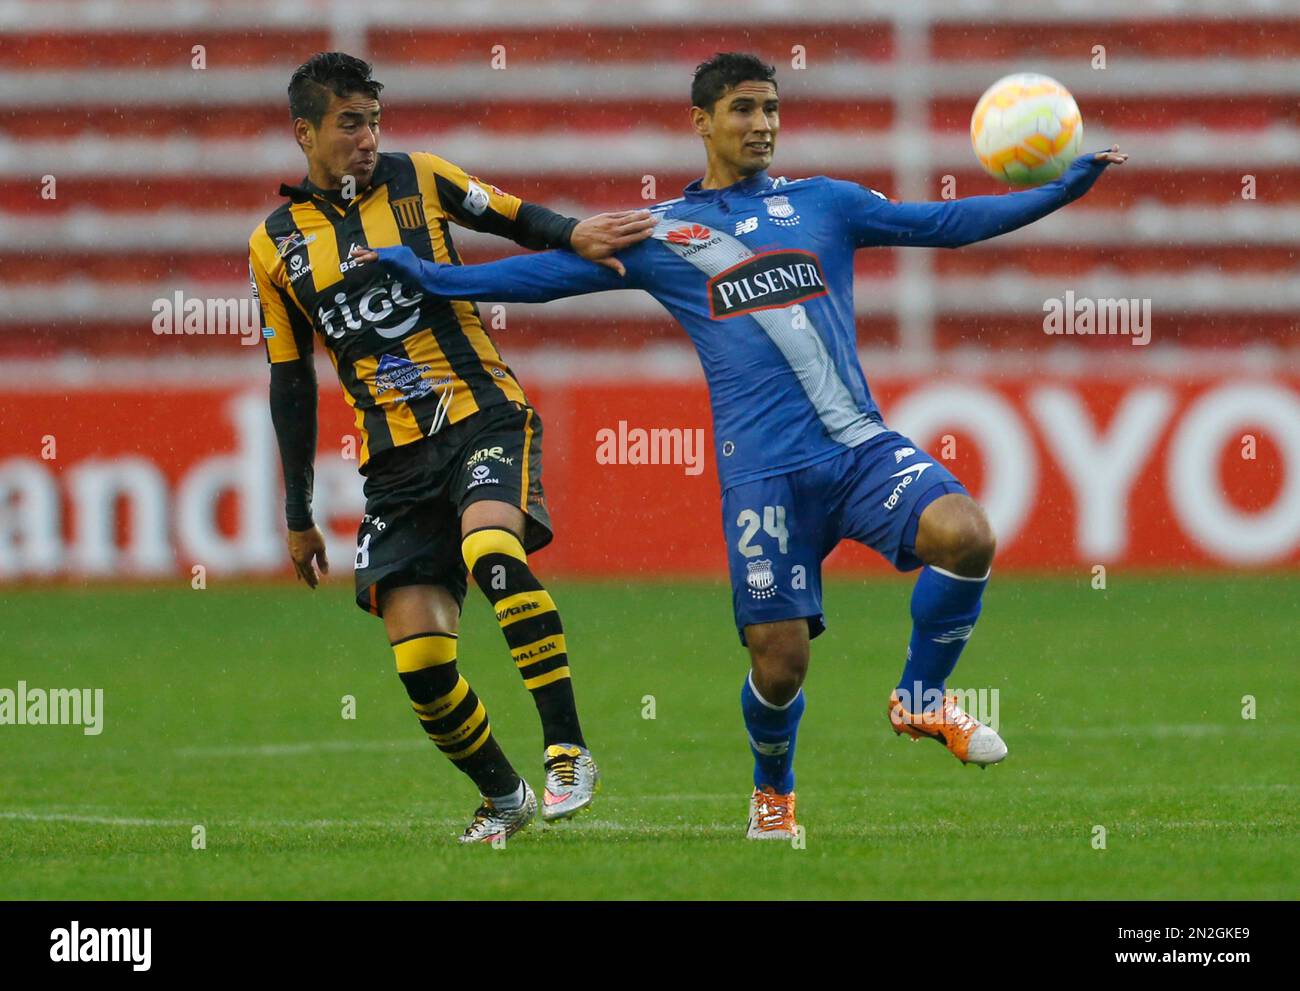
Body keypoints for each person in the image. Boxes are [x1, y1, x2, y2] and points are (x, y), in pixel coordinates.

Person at [351, 52, 1128, 840]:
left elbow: (947, 225)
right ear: (703, 122)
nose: (762, 125)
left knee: (967, 535)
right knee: (780, 660)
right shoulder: (662, 234)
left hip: (858, 447)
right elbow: (544, 277)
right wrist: (430, 275)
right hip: (762, 478)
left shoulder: (826, 203)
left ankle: (921, 697)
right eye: (744, 110)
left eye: (771, 109)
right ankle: (773, 793)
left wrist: (1060, 191)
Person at [248, 52, 654, 842]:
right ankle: (504, 796)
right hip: (394, 464)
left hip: (481, 415)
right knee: (422, 665)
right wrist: (297, 512)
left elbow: (511, 214)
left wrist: (576, 231)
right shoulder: (273, 244)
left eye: (373, 120)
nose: (368, 137)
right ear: (306, 132)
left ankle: (567, 747)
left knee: (492, 548)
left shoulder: (422, 178)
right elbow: (289, 383)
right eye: (349, 123)